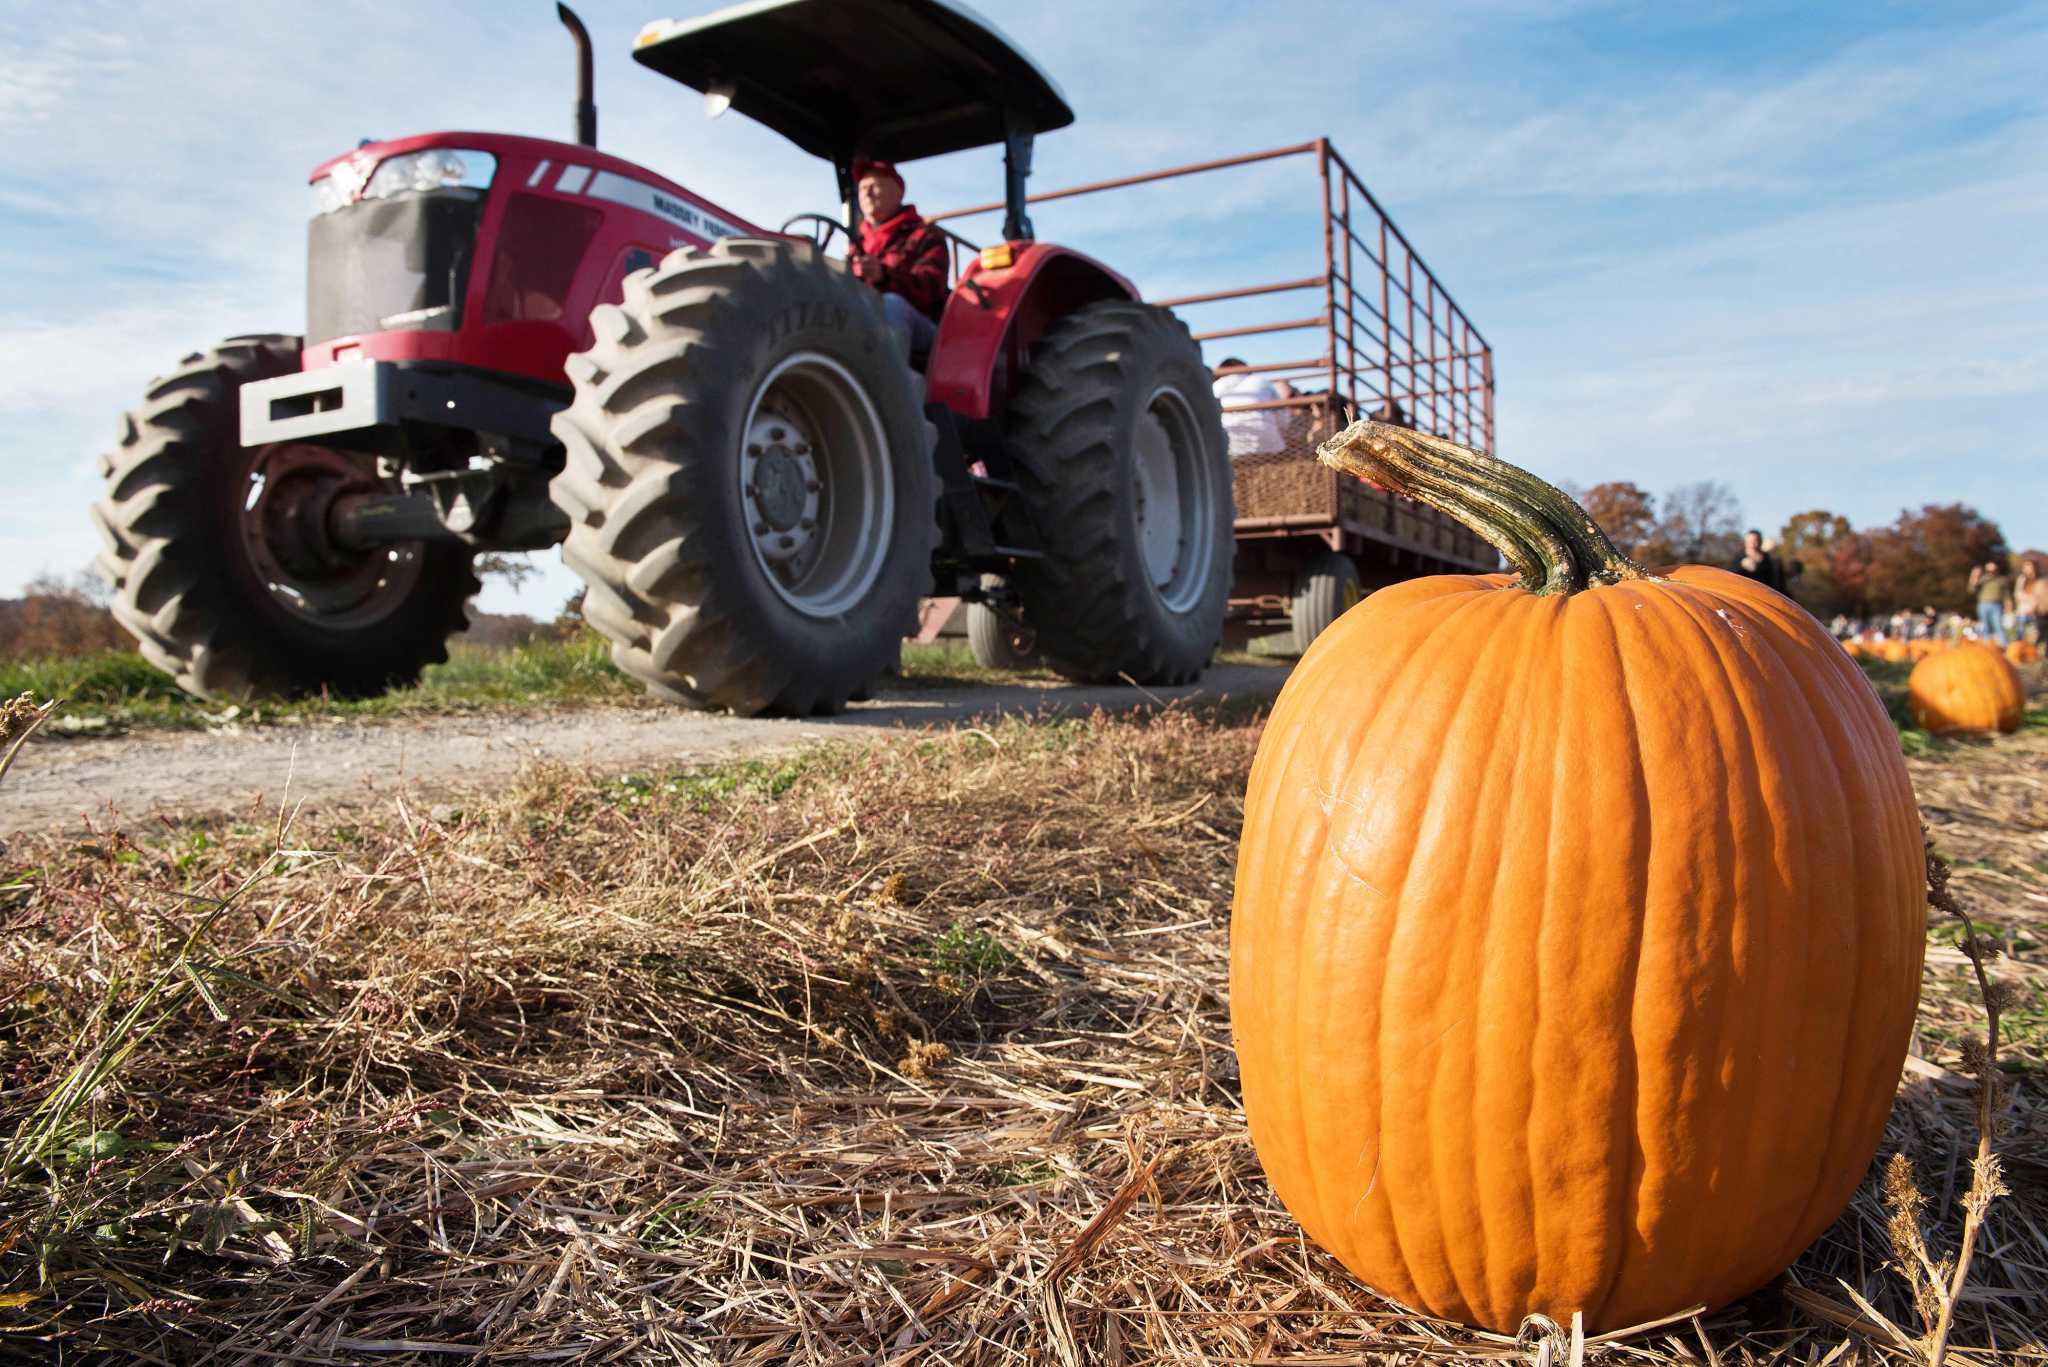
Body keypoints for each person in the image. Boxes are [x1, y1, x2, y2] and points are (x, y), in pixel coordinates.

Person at [845, 159, 949, 367]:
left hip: (921, 327)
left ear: (898, 192)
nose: (867, 193)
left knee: (892, 304)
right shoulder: (856, 245)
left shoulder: (925, 235)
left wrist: (884, 275)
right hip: (865, 321)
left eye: (875, 186)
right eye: (863, 188)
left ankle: (891, 392)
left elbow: (931, 286)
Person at [1211, 359, 1294, 460]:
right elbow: (1283, 418)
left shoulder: (1215, 386)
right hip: (1269, 447)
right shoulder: (1262, 381)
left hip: (1230, 450)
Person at [1968, 558, 2012, 645]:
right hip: (1983, 605)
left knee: (1998, 625)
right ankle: (1986, 645)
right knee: (1985, 626)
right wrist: (1974, 577)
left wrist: (2008, 604)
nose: (1991, 571)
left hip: (1997, 605)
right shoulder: (1983, 579)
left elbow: (2006, 594)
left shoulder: (2001, 580)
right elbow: (1972, 590)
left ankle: (2004, 645)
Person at [2014, 557, 2041, 644]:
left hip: (2035, 611)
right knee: (2020, 632)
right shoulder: (2021, 579)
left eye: (2029, 567)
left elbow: (2040, 596)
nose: (2027, 569)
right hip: (2023, 610)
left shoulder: (2039, 580)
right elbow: (2018, 594)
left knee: (2035, 633)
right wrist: (2029, 598)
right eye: (2025, 567)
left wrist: (2033, 606)